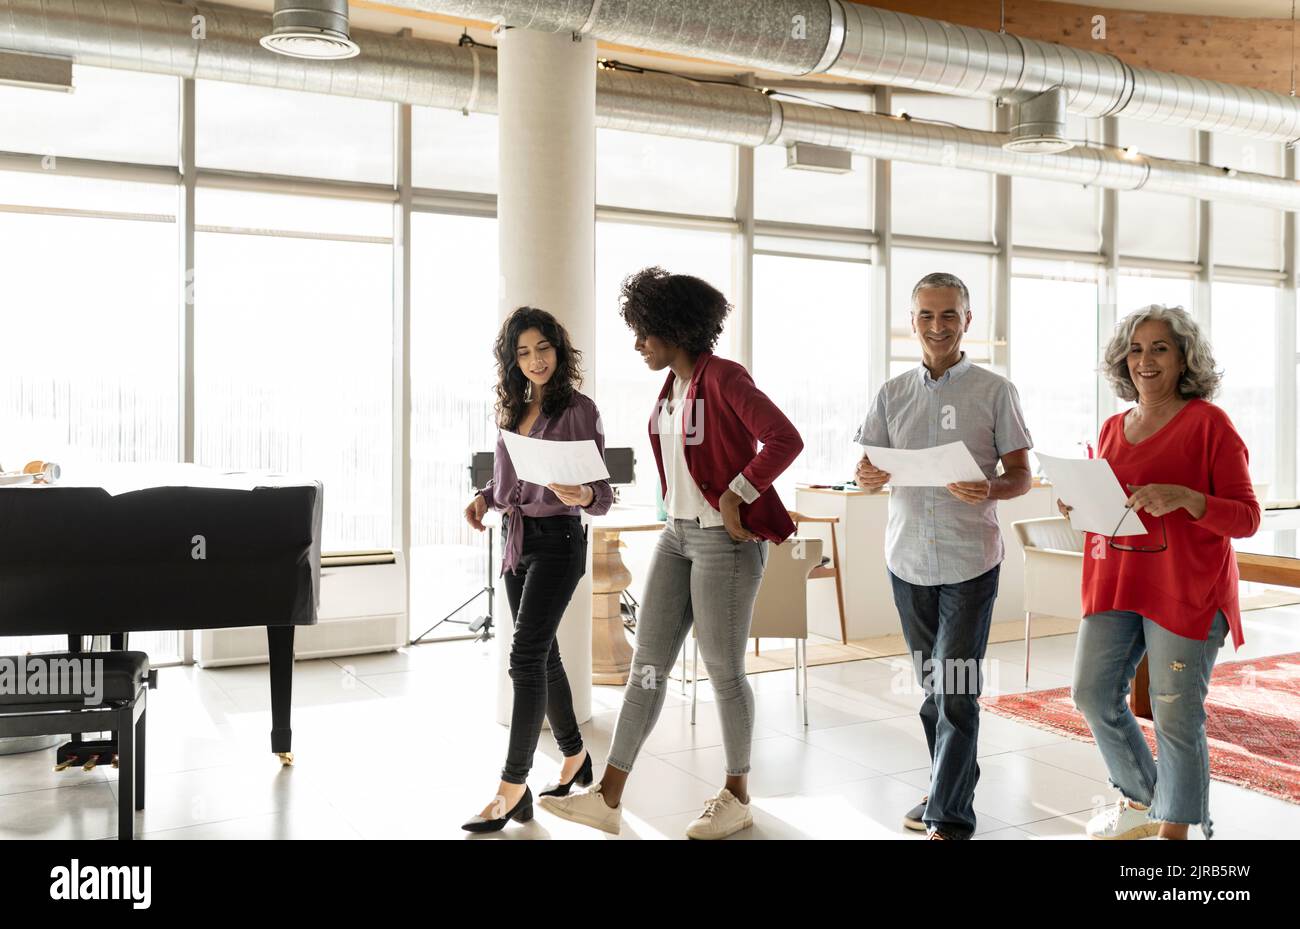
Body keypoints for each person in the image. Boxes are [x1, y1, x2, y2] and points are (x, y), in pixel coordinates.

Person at [540, 266, 803, 839]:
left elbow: (785, 438)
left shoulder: (726, 378)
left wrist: (738, 493)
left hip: (723, 545)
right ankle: (608, 796)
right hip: (677, 535)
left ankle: (737, 794)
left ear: (676, 328)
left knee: (724, 672)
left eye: (644, 331)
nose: (637, 343)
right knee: (648, 669)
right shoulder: (671, 387)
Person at [1059, 304, 1259, 840]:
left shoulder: (1209, 424)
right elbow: (1110, 512)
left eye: (1160, 348)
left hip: (1186, 590)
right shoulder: (1110, 428)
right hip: (1116, 585)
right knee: (1092, 695)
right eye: (1136, 349)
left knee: (1175, 713)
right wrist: (1078, 507)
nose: (1145, 360)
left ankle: (1176, 832)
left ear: (1184, 358)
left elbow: (1247, 517)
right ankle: (1149, 801)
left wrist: (1189, 499)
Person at [854, 271, 1033, 840]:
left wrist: (993, 488)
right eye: (926, 316)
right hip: (906, 559)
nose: (937, 326)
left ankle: (949, 819)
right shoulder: (891, 393)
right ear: (912, 323)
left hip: (969, 561)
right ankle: (948, 780)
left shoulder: (995, 391)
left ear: (967, 321)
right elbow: (866, 473)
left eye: (948, 315)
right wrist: (865, 475)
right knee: (934, 691)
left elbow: (1023, 477)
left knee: (955, 690)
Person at [460, 306, 612, 833]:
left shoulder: (580, 409)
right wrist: (483, 499)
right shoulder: (512, 410)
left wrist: (586, 491)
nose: (534, 360)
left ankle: (512, 787)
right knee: (544, 658)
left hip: (558, 544)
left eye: (542, 348)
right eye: (522, 352)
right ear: (513, 360)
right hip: (515, 541)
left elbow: (603, 495)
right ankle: (574, 759)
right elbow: (509, 484)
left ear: (558, 349)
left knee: (524, 659)